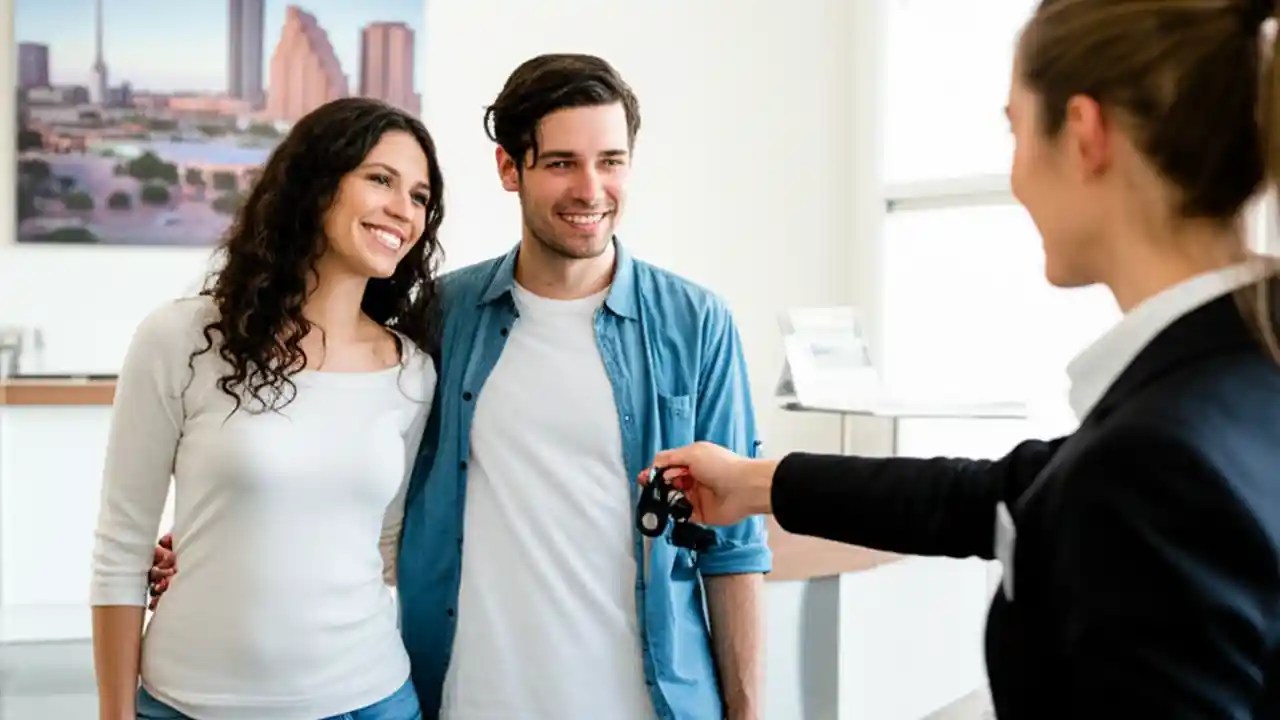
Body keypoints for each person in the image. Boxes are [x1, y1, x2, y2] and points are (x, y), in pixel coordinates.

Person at [647, 1, 1280, 718]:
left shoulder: (1155, 466)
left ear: (1083, 133)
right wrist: (751, 483)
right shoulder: (1237, 381)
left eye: (1014, 128)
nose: (1013, 177)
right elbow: (996, 495)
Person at [149, 54, 771, 719]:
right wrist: (231, 541)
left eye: (611, 161)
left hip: (651, 701)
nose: (592, 189)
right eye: (561, 162)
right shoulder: (437, 318)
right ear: (510, 168)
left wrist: (749, 712)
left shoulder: (696, 325)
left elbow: (733, 551)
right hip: (472, 695)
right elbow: (332, 441)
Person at [90, 97, 444, 720]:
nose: (403, 210)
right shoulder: (182, 338)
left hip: (370, 699)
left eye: (419, 196)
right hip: (190, 701)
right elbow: (122, 550)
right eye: (380, 179)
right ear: (314, 184)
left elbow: (383, 544)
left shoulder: (411, 372)